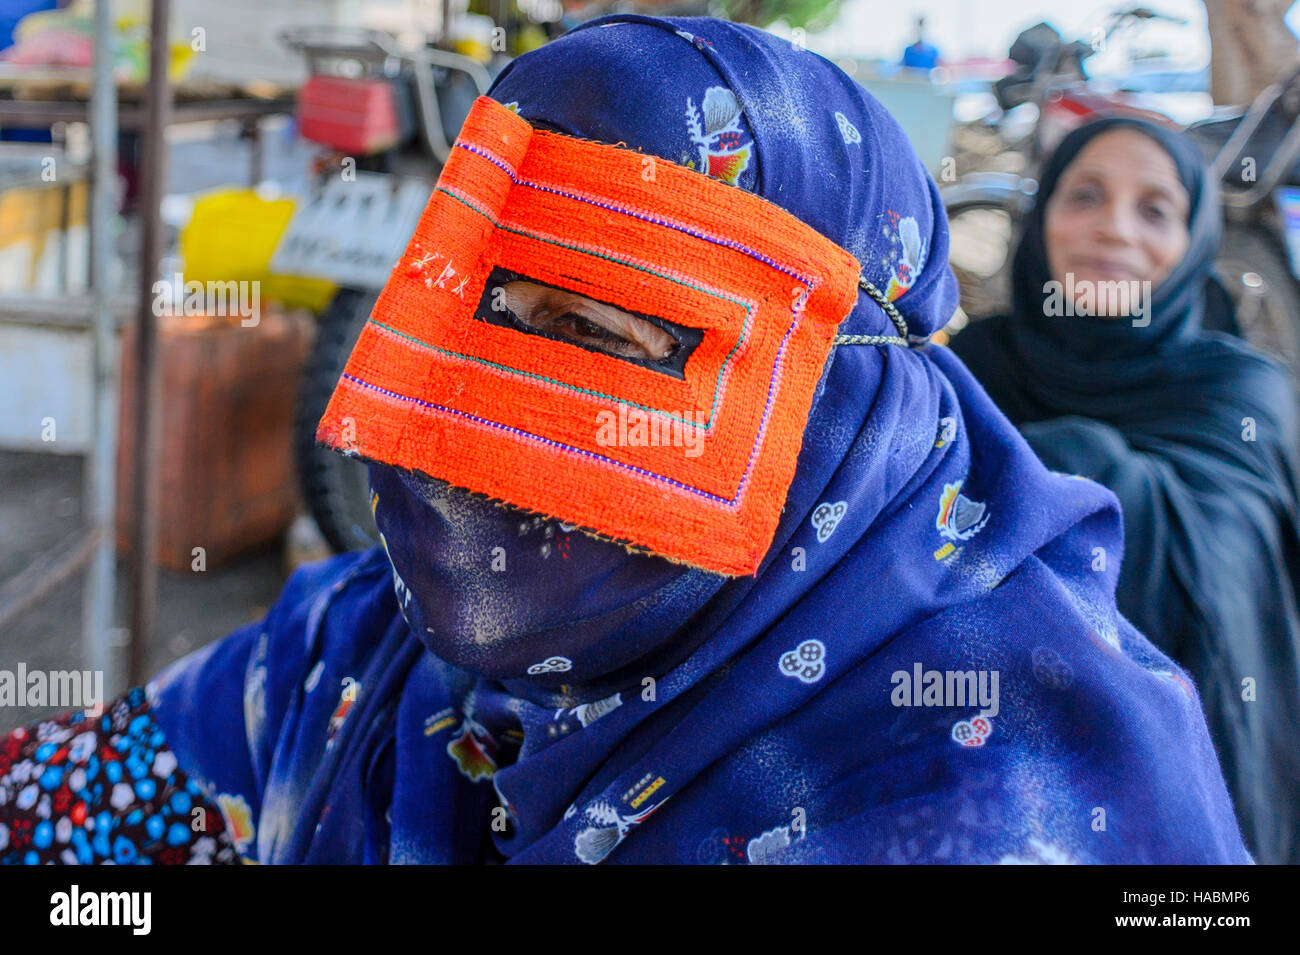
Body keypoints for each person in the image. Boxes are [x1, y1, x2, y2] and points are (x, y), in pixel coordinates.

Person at [0, 18, 1250, 865]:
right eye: (490, 316)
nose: (478, 420)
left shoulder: (1003, 790)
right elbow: (85, 812)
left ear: (832, 394)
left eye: (602, 334)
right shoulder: (359, 649)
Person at [950, 116, 1300, 865]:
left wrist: (1072, 461)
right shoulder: (977, 364)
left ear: (1194, 240)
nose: (1113, 229)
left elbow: (1229, 587)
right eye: (1084, 195)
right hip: (991, 774)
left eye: (1155, 209)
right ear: (1040, 219)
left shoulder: (1242, 390)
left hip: (1201, 792)